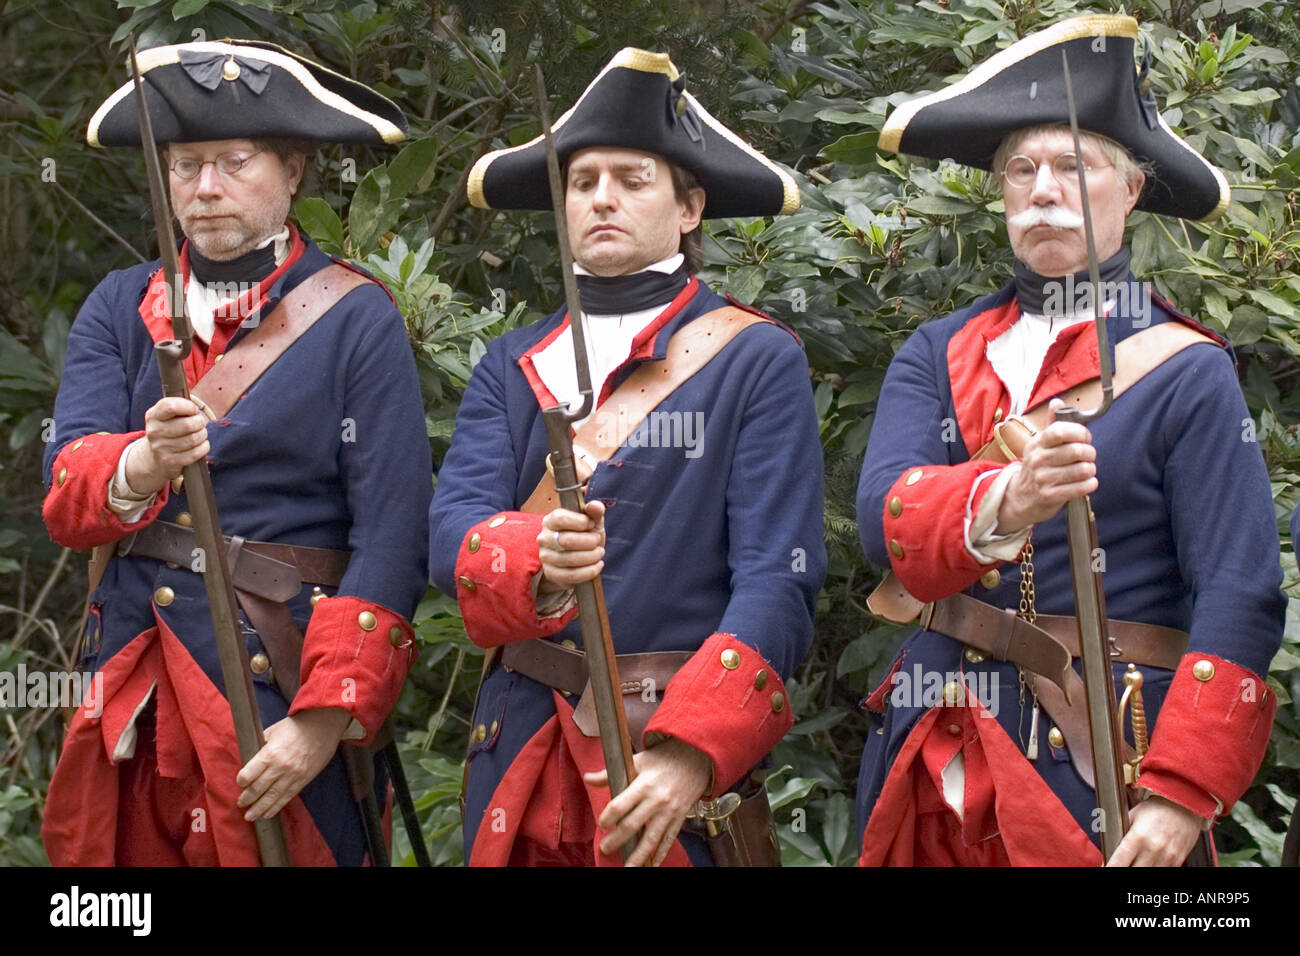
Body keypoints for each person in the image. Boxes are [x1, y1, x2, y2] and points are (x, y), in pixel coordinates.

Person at [855, 15, 1285, 866]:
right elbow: (882, 525)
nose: (1043, 189)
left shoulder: (1187, 368)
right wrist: (1005, 499)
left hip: (1108, 755)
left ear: (1131, 189)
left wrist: (1183, 790)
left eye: (1074, 165)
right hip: (937, 734)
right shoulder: (935, 351)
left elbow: (1240, 590)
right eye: (1022, 169)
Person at [428, 48, 826, 866]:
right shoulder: (511, 361)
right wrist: (536, 558)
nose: (601, 197)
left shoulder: (757, 358)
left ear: (690, 208)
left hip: (665, 753)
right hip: (521, 747)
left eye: (632, 179)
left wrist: (692, 752)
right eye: (582, 181)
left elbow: (777, 581)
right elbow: (447, 541)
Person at [40, 39, 431, 866]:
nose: (206, 187)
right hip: (134, 680)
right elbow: (66, 491)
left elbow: (392, 539)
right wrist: (143, 463)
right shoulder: (119, 305)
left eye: (235, 162)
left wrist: (322, 720)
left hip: (280, 685)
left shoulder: (358, 316)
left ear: (292, 171)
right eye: (186, 166)